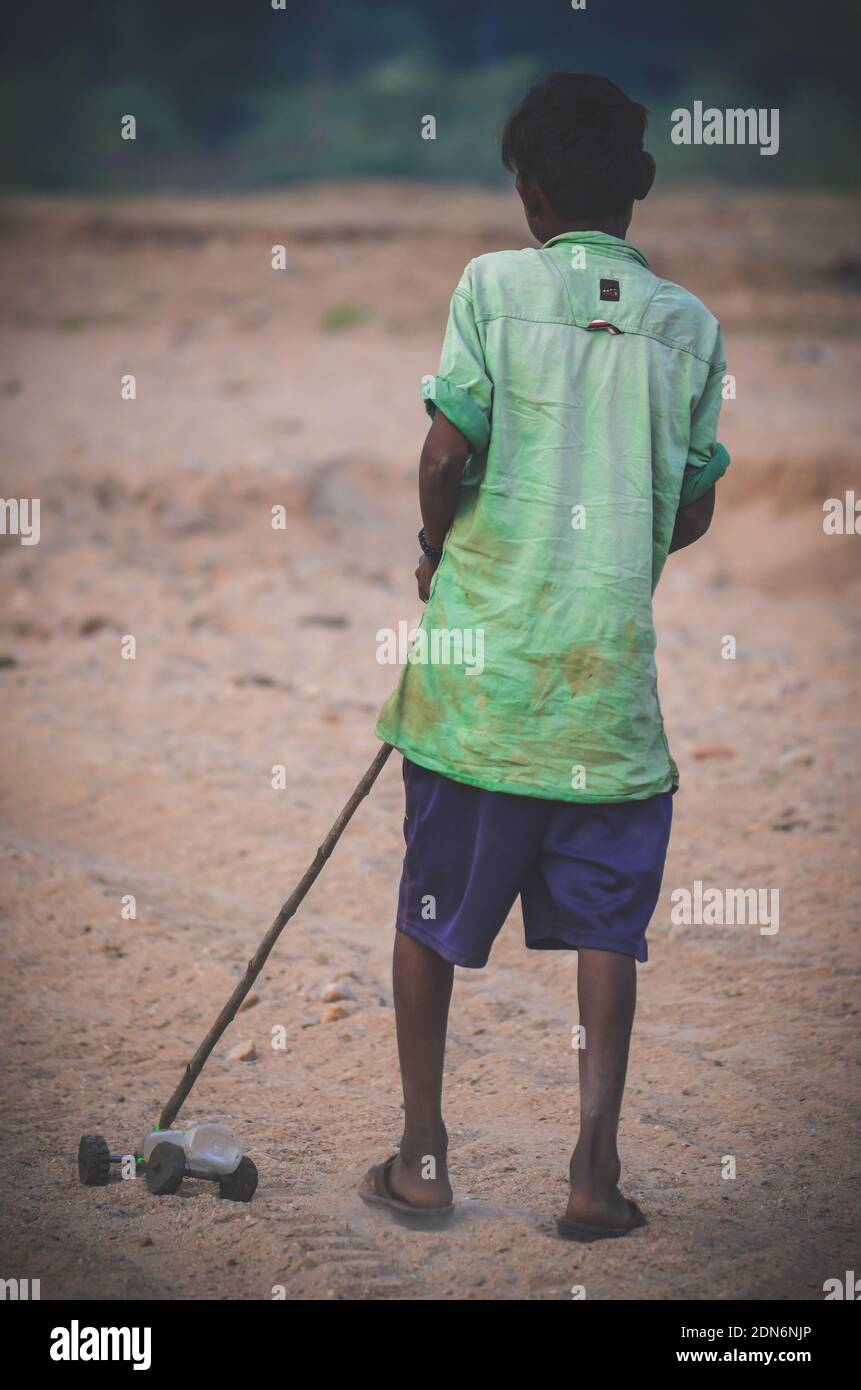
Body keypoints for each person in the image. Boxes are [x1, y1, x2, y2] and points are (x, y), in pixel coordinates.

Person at [361, 72, 730, 1240]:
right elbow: (690, 508)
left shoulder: (492, 286)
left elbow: (441, 451)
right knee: (609, 933)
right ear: (644, 182)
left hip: (482, 685)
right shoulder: (689, 326)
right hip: (605, 695)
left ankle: (422, 1158)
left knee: (428, 913)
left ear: (524, 188)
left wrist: (435, 550)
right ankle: (593, 1171)